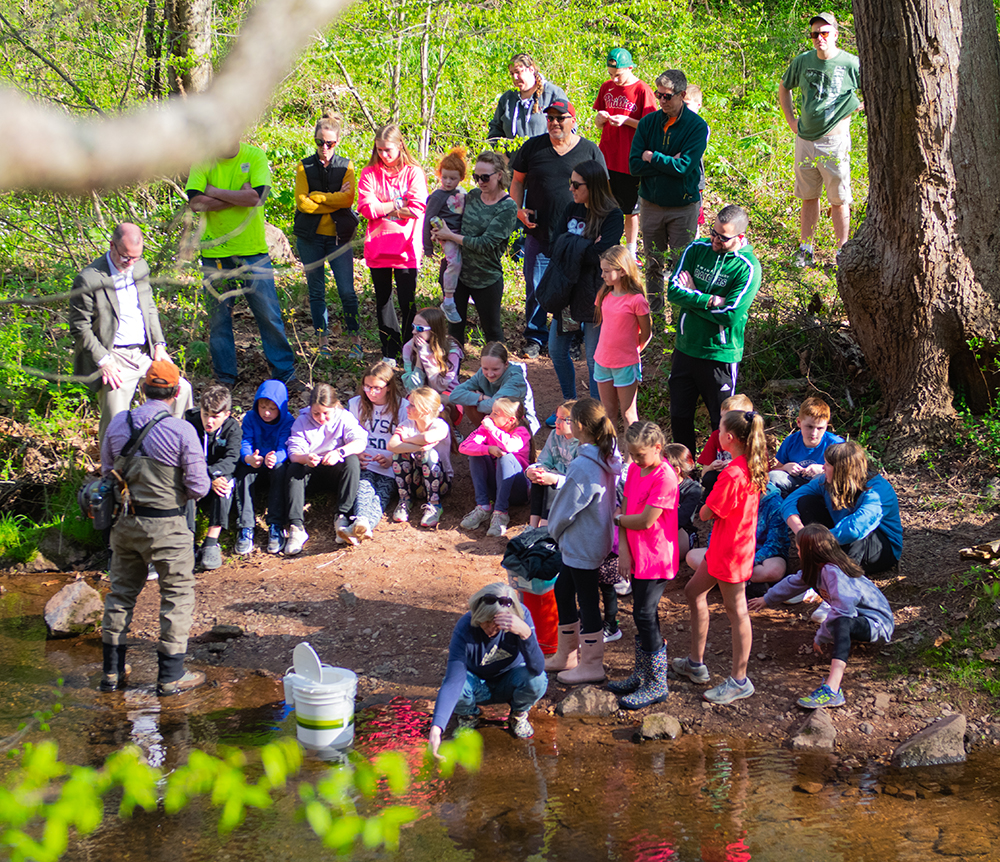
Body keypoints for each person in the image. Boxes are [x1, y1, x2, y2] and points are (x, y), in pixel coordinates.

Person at [99, 360, 209, 696]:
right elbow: (199, 487)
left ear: (143, 389)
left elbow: (106, 471)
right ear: (175, 393)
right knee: (176, 596)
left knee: (120, 594)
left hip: (126, 524)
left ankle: (112, 673)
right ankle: (171, 677)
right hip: (168, 527)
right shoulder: (182, 431)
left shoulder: (118, 423)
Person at [186, 142, 301, 391]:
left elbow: (256, 198)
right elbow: (195, 203)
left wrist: (214, 191)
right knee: (219, 319)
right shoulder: (203, 159)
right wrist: (239, 197)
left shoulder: (254, 155)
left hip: (253, 251)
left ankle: (285, 374)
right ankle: (225, 377)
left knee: (269, 315)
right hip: (215, 253)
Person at [672, 409, 768, 705]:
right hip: (725, 547)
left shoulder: (734, 474)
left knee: (737, 611)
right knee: (693, 591)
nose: (716, 434)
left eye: (720, 430)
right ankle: (695, 663)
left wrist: (705, 489)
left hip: (731, 552)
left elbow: (706, 513)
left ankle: (739, 680)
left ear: (729, 438)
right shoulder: (750, 464)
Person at [748, 524, 894, 709]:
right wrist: (767, 599)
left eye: (799, 550)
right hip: (859, 619)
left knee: (841, 622)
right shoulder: (818, 570)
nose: (798, 554)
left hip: (877, 625)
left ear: (810, 553)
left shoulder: (834, 572)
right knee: (841, 622)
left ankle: (833, 690)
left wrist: (822, 635)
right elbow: (792, 583)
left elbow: (843, 611)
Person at [70, 222, 193, 441]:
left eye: (136, 257)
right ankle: (113, 460)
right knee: (116, 417)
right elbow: (80, 327)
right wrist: (104, 361)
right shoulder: (89, 279)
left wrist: (159, 345)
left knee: (182, 389)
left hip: (144, 353)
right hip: (113, 356)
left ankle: (173, 447)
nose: (130, 263)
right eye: (125, 257)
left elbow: (149, 307)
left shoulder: (140, 267)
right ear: (112, 246)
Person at [509, 98, 606, 357]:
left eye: (560, 118)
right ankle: (535, 336)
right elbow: (517, 181)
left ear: (573, 120)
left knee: (574, 288)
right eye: (550, 118)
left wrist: (600, 226)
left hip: (578, 237)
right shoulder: (533, 147)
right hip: (539, 231)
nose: (554, 123)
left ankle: (571, 337)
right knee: (537, 286)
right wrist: (518, 210)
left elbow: (602, 190)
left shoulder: (589, 151)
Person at [666, 204, 762, 458]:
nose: (715, 240)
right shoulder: (696, 249)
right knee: (680, 416)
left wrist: (692, 295)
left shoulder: (747, 267)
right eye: (714, 233)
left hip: (719, 354)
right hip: (686, 348)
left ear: (740, 237)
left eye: (723, 238)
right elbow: (673, 291)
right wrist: (709, 300)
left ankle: (719, 472)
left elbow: (731, 314)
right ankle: (685, 472)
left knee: (721, 422)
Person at [545, 398, 621, 684]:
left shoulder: (582, 465)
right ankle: (567, 655)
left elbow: (566, 508)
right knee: (563, 590)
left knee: (587, 600)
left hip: (583, 543)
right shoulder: (605, 456)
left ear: (578, 425)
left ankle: (592, 664)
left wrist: (553, 531)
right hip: (591, 540)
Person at [778, 13, 862, 267]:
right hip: (805, 140)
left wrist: (856, 108)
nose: (819, 38)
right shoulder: (803, 61)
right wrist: (791, 121)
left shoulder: (851, 63)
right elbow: (784, 87)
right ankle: (806, 248)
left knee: (839, 199)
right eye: (815, 34)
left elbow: (874, 89)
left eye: (824, 33)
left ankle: (842, 251)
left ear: (836, 34)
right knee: (808, 196)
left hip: (834, 143)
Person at [428, 583, 547, 755]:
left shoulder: (522, 618)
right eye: (485, 623)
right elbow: (453, 681)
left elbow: (537, 668)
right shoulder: (465, 627)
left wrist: (526, 634)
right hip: (476, 685)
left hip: (511, 681)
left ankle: (518, 714)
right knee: (458, 687)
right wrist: (437, 727)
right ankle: (468, 716)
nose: (491, 630)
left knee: (537, 680)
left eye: (497, 625)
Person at [607, 420, 679, 709]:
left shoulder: (665, 477)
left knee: (645, 614)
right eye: (632, 454)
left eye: (640, 454)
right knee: (641, 614)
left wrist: (617, 520)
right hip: (637, 554)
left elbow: (646, 520)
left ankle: (657, 683)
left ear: (657, 448)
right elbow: (626, 507)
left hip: (656, 556)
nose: (635, 460)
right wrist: (623, 550)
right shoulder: (637, 469)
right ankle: (642, 674)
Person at [541, 160, 624, 406]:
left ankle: (597, 413)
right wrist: (586, 243)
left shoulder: (613, 215)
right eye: (571, 183)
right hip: (567, 291)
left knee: (593, 358)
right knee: (557, 350)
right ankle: (570, 405)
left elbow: (601, 255)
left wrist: (571, 243)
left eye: (576, 185)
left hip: (595, 295)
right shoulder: (571, 208)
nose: (571, 189)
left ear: (593, 186)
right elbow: (554, 246)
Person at [629, 69, 710, 315]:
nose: (662, 100)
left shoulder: (696, 127)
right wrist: (668, 161)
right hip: (651, 203)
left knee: (681, 264)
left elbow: (684, 167)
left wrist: (652, 157)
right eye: (659, 95)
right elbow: (634, 166)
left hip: (682, 206)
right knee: (653, 263)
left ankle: (679, 316)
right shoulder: (648, 123)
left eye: (667, 96)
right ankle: (655, 314)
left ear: (682, 95)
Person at [293, 112, 363, 361]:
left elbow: (348, 199)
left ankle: (355, 340)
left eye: (330, 143)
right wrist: (333, 200)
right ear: (315, 140)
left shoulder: (346, 166)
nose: (325, 148)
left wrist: (319, 197)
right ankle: (323, 342)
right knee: (316, 292)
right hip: (309, 237)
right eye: (320, 142)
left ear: (337, 142)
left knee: (347, 292)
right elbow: (302, 204)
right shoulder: (304, 166)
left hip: (338, 238)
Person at [356, 124, 428, 365]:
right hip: (378, 248)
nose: (384, 155)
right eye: (379, 150)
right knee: (383, 301)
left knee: (408, 302)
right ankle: (389, 351)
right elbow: (367, 209)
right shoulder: (369, 173)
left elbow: (417, 208)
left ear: (400, 146)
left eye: (388, 150)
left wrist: (383, 207)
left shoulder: (413, 173)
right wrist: (398, 204)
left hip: (406, 249)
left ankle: (410, 349)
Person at [432, 151, 518, 347]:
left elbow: (485, 244)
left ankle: (497, 367)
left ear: (499, 175)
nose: (480, 182)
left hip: (486, 278)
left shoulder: (507, 207)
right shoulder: (471, 195)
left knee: (492, 331)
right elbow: (453, 221)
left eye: (485, 177)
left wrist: (450, 236)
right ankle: (453, 366)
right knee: (454, 330)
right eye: (476, 177)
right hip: (458, 274)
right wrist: (439, 233)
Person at [781, 440, 902, 575]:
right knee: (806, 502)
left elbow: (856, 529)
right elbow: (790, 501)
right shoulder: (824, 480)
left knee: (856, 533)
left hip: (879, 549)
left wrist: (817, 540)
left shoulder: (878, 491)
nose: (823, 468)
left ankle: (839, 572)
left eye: (827, 465)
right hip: (837, 538)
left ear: (841, 470)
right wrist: (801, 532)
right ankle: (823, 562)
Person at [285, 383, 368, 556]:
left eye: (326, 413)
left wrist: (340, 452)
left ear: (335, 407)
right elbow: (293, 453)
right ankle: (296, 527)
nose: (321, 418)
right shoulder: (301, 422)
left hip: (335, 471)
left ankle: (342, 517)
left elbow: (360, 441)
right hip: (311, 471)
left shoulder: (344, 417)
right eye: (316, 413)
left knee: (352, 461)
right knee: (294, 468)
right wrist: (305, 458)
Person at [592, 48, 656, 260]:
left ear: (630, 68)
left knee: (630, 209)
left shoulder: (642, 90)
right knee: (605, 204)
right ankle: (607, 244)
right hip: (607, 156)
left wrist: (626, 121)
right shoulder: (607, 87)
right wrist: (600, 119)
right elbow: (599, 123)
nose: (614, 79)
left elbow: (650, 127)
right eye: (611, 74)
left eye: (618, 74)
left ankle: (630, 251)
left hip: (630, 160)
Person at [688, 484, 791, 598]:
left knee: (774, 571)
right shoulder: (733, 498)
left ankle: (724, 580)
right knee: (693, 556)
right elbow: (716, 533)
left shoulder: (775, 504)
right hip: (732, 554)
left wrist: (747, 562)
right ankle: (746, 583)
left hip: (763, 557)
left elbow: (774, 544)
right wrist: (726, 556)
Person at [347, 361, 409, 542]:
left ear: (389, 387)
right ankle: (362, 523)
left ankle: (362, 524)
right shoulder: (355, 404)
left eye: (377, 388)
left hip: (391, 464)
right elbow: (347, 434)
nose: (371, 392)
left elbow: (409, 441)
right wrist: (356, 453)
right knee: (364, 488)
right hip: (366, 462)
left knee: (381, 494)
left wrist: (392, 458)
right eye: (367, 387)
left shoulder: (403, 407)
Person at [593, 245, 652, 430]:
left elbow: (646, 332)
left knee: (628, 414)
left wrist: (634, 352)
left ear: (623, 271)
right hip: (602, 361)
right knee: (608, 413)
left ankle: (631, 449)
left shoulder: (637, 300)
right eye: (602, 270)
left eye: (607, 271)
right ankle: (611, 448)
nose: (602, 275)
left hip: (625, 364)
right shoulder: (603, 294)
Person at [458, 397, 533, 538]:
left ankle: (500, 513)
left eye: (495, 414)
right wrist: (488, 449)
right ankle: (483, 506)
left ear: (510, 420)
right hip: (495, 488)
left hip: (517, 490)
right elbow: (464, 446)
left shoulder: (521, 432)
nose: (489, 416)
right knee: (476, 453)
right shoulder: (485, 430)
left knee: (505, 456)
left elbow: (510, 446)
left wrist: (492, 429)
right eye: (491, 412)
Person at [234, 379, 294, 556]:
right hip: (255, 462)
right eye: (262, 407)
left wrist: (275, 458)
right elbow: (245, 441)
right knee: (242, 472)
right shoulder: (251, 418)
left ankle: (276, 524)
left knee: (280, 469)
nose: (267, 413)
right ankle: (246, 526)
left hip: (274, 464)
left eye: (273, 409)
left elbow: (285, 446)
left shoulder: (287, 421)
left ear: (281, 408)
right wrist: (248, 457)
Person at [184, 384, 240, 570]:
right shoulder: (189, 422)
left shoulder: (233, 428)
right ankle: (189, 542)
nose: (209, 421)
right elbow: (184, 457)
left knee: (225, 484)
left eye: (215, 416)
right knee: (186, 483)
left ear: (227, 414)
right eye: (205, 414)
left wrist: (211, 475)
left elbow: (232, 460)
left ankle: (211, 542)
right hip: (195, 475)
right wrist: (205, 477)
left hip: (217, 476)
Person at [388, 386, 453, 528]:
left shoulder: (440, 425)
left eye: (412, 405)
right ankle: (404, 499)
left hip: (440, 481)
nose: (407, 408)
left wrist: (406, 440)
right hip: (415, 480)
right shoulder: (407, 424)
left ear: (426, 410)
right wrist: (418, 447)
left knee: (429, 454)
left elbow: (427, 437)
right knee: (399, 454)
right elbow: (391, 446)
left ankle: (434, 504)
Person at [446, 341, 539, 433]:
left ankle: (496, 437)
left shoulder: (515, 379)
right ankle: (487, 435)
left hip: (519, 424)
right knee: (470, 399)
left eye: (495, 369)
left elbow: (497, 408)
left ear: (506, 364)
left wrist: (478, 401)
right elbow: (454, 395)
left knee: (470, 399)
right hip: (495, 414)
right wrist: (481, 397)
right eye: (485, 368)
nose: (490, 374)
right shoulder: (481, 373)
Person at [423, 148, 468, 324]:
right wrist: (427, 247)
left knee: (464, 261)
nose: (448, 182)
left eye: (453, 178)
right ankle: (448, 300)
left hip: (461, 234)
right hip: (445, 234)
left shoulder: (463, 193)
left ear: (461, 177)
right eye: (445, 177)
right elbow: (427, 219)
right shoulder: (438, 196)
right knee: (454, 262)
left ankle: (464, 291)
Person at [769, 396, 844, 496]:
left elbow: (846, 473)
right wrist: (786, 467)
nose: (814, 433)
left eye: (820, 428)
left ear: (827, 426)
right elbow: (776, 469)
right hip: (795, 483)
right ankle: (779, 504)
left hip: (822, 487)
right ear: (799, 422)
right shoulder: (791, 441)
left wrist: (823, 470)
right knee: (773, 477)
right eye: (809, 427)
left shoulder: (835, 444)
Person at [487, 53, 568, 142]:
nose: (515, 77)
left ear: (531, 70)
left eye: (518, 72)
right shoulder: (507, 99)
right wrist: (500, 150)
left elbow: (569, 127)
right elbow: (495, 131)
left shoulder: (552, 94)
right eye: (512, 74)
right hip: (514, 151)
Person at [525, 399, 578, 528]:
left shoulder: (582, 444)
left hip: (575, 487)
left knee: (552, 482)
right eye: (556, 417)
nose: (556, 422)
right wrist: (533, 471)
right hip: (559, 478)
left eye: (562, 419)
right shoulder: (555, 434)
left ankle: (544, 528)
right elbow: (543, 461)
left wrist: (555, 479)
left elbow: (580, 480)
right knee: (540, 476)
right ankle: (532, 526)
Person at [697, 393, 754, 496]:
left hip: (743, 486)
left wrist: (734, 465)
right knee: (709, 478)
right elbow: (704, 473)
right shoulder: (717, 436)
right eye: (722, 417)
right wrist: (712, 466)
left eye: (728, 419)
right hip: (719, 484)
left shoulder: (754, 440)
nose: (722, 422)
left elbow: (760, 473)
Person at [401, 307, 463, 396]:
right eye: (413, 326)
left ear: (434, 330)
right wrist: (419, 358)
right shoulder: (408, 347)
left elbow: (440, 387)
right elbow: (412, 388)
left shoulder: (452, 349)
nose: (414, 332)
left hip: (447, 395)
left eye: (420, 328)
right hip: (420, 396)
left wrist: (425, 355)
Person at [664, 443, 702, 559]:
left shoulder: (692, 489)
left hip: (681, 532)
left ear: (676, 470)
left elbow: (680, 520)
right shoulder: (656, 484)